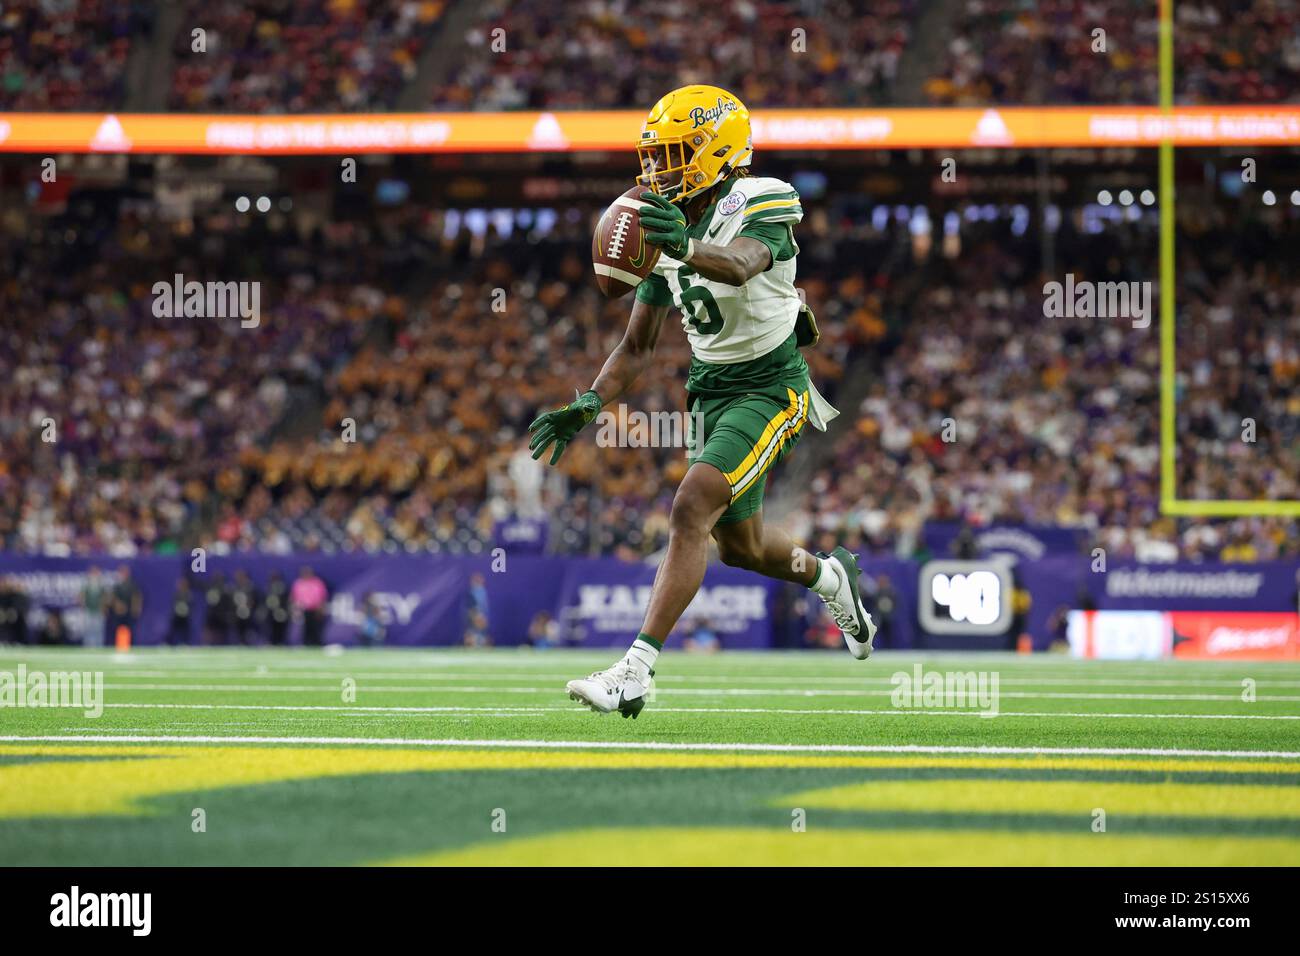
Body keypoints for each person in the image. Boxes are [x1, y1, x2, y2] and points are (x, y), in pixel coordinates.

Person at [528, 85, 875, 718]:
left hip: (773, 385)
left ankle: (635, 671)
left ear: (719, 150)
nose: (660, 171)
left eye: (677, 154)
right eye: (655, 156)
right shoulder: (662, 220)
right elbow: (637, 348)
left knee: (690, 507)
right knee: (737, 547)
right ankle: (831, 577)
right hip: (709, 392)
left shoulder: (762, 198)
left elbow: (742, 263)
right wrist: (588, 402)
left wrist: (683, 245)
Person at [291, 566, 329, 646]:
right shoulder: (298, 583)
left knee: (316, 628)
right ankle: (306, 643)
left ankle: (316, 643)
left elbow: (322, 596)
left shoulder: (317, 582)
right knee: (305, 628)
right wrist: (296, 610)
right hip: (304, 609)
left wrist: (321, 608)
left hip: (315, 609)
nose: (306, 575)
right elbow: (295, 597)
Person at [79, 566, 107, 648]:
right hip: (88, 610)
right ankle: (87, 647)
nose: (94, 575)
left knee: (98, 631)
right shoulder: (86, 585)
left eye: (96, 573)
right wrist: (82, 603)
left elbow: (105, 597)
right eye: (93, 573)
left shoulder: (101, 586)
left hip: (98, 611)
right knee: (88, 630)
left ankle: (99, 647)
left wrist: (103, 606)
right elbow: (81, 596)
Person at [263, 571, 291, 646]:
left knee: (281, 628)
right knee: (271, 628)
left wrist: (283, 609)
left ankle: (282, 642)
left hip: (281, 611)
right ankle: (272, 641)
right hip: (271, 611)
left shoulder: (283, 587)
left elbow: (286, 600)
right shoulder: (268, 587)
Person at [166, 578, 194, 647]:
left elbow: (191, 605)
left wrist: (186, 609)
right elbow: (174, 604)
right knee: (172, 629)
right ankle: (168, 643)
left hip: (185, 617)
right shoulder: (177, 594)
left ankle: (186, 643)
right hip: (177, 616)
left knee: (186, 630)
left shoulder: (188, 594)